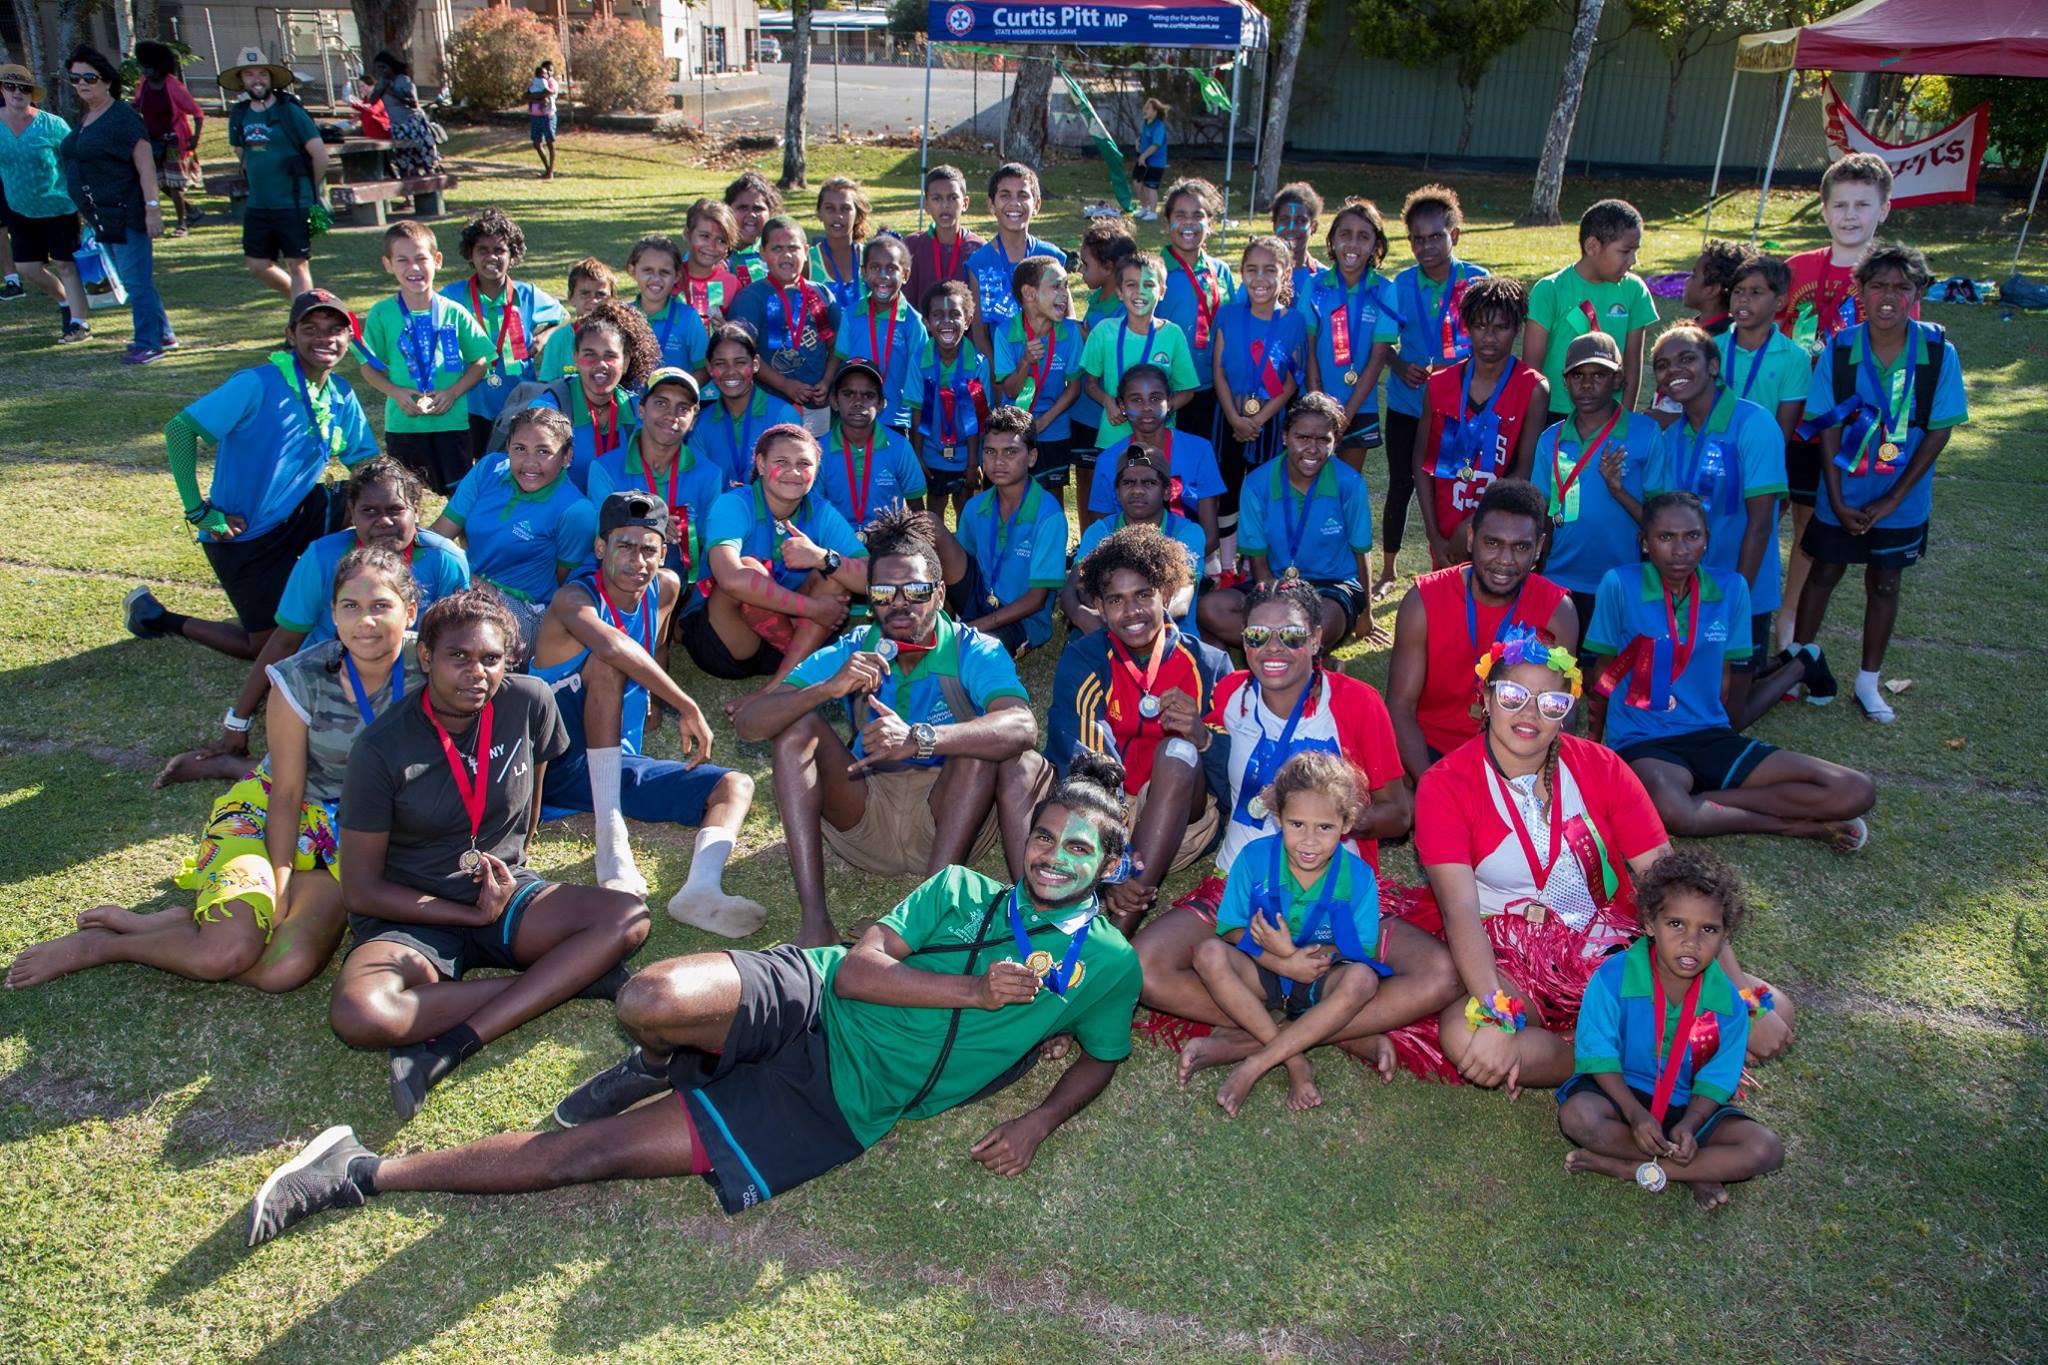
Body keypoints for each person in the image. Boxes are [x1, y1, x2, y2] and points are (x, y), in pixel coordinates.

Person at [246, 753, 1142, 1244]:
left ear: (1110, 869)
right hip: (816, 991)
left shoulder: (1107, 966)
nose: (1053, 858)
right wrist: (974, 992)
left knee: (583, 1159)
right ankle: (663, 1054)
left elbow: (1103, 1054)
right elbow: (862, 969)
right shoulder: (959, 888)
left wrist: (1038, 1122)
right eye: (1047, 837)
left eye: (1078, 851)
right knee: (649, 992)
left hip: (841, 1099)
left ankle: (357, 1171)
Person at [6, 547, 415, 993]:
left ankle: (174, 924)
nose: (366, 621)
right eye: (350, 607)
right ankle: (105, 946)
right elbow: (286, 791)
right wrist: (278, 888)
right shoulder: (299, 677)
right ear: (332, 614)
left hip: (353, 842)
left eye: (381, 606)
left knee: (282, 971)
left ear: (409, 611)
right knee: (226, 952)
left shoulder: (433, 668)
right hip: (271, 818)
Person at [1404, 635, 1791, 1097]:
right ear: (1487, 698)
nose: (1529, 714)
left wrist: (1743, 1003)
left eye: (1550, 702)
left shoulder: (1602, 766)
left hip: (1606, 942)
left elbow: (1674, 887)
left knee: (1776, 1006)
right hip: (1506, 952)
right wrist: (1495, 1014)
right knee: (1467, 1037)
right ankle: (1617, 1054)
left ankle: (1615, 1040)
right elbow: (1460, 912)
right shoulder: (1444, 786)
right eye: (1513, 697)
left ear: (1567, 709)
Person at [330, 589, 650, 1120]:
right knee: (361, 1013)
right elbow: (360, 889)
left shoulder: (529, 701)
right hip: (414, 911)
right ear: (427, 657)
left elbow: (532, 792)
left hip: (504, 891)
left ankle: (451, 1045)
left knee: (628, 917)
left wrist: (512, 873)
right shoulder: (380, 747)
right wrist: (464, 913)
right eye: (458, 656)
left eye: (491, 659)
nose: (476, 673)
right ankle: (566, 981)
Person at [1132, 578, 1430, 1073]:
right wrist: (1201, 736)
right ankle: (1309, 1030)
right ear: (1242, 641)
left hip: (1332, 888)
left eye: (1291, 636)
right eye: (1256, 637)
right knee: (1142, 968)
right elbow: (1233, 771)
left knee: (1438, 974)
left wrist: (1329, 822)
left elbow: (1400, 813)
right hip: (1242, 882)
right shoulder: (1230, 696)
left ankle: (1266, 1032)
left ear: (1316, 639)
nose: (1273, 649)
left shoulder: (1356, 703)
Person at [732, 505, 1045, 947]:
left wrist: (922, 739)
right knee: (795, 722)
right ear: (870, 596)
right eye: (883, 592)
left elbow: (1022, 726)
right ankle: (815, 921)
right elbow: (749, 724)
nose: (899, 603)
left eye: (915, 590)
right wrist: (824, 690)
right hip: (864, 817)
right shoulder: (857, 646)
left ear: (938, 593)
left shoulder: (974, 649)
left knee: (982, 739)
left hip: (949, 818)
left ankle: (928, 910)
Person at [153, 456, 470, 788]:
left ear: (416, 511)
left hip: (407, 677)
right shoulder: (321, 557)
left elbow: (453, 641)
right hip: (331, 679)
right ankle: (236, 767)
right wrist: (238, 720)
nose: (384, 521)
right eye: (369, 511)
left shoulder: (445, 559)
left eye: (395, 509)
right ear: (351, 513)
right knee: (339, 767)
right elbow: (284, 641)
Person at [530, 491, 762, 934]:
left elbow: (652, 648)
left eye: (649, 549)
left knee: (736, 784)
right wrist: (684, 703)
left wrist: (652, 701)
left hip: (611, 760)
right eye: (625, 546)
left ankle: (701, 889)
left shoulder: (666, 587)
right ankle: (611, 844)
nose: (638, 560)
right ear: (601, 549)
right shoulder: (572, 600)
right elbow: (616, 647)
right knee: (607, 664)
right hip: (548, 762)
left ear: (663, 553)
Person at [1589, 491, 1873, 845]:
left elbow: (1731, 680)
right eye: (1665, 537)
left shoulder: (1731, 589)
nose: (1680, 549)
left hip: (1710, 736)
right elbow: (1602, 672)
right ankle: (1792, 824)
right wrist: (1594, 747)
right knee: (1677, 814)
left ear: (1707, 541)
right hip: (1643, 742)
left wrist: (1730, 738)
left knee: (1855, 790)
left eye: (1692, 536)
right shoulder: (1619, 584)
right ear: (1644, 543)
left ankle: (1706, 800)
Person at [123, 289, 375, 663]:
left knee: (374, 508)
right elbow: (179, 429)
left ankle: (353, 601)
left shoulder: (340, 391)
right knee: (266, 650)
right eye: (312, 328)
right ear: (291, 335)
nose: (325, 338)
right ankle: (159, 618)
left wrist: (383, 507)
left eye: (335, 329)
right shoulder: (257, 383)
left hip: (301, 513)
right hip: (242, 532)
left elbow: (365, 460)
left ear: (349, 337)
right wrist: (197, 511)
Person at [1192, 750, 1444, 1114]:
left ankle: (1256, 1062)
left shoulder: (1358, 877)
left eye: (1324, 827)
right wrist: (1281, 960)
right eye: (1297, 825)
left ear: (1345, 824)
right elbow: (1230, 928)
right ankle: (1297, 1060)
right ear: (1277, 817)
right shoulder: (1253, 858)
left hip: (1319, 979)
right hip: (1263, 972)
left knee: (1362, 982)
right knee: (1207, 954)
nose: (1309, 841)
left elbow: (1360, 950)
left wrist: (1301, 960)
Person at [1789, 242, 1966, 724]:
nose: (1889, 296)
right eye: (1878, 285)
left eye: (1901, 287)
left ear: (1917, 293)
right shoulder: (1841, 349)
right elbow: (1825, 425)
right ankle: (1803, 665)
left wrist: (1892, 501)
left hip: (1903, 500)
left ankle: (1868, 682)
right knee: (1823, 572)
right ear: (1860, 291)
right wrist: (1837, 495)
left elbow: (1939, 430)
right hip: (1841, 492)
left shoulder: (1936, 351)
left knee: (1885, 583)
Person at [1558, 846, 1786, 1210]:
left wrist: (1692, 1123)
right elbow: (1597, 1054)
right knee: (1577, 1116)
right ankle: (1693, 1168)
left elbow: (1718, 1076)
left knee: (1766, 1149)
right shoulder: (1613, 977)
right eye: (1676, 924)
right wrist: (1634, 1114)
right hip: (1618, 1095)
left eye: (1708, 929)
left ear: (1724, 936)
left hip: (1686, 1106)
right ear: (1650, 923)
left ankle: (1628, 1167)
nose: (1691, 942)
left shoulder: (1727, 1004)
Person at [1046, 522, 1229, 935]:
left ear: (1166, 591)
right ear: (1098, 605)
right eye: (1117, 600)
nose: (1132, 612)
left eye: (1144, 595)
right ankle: (1112, 884)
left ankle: (1118, 933)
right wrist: (1116, 856)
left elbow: (1234, 772)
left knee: (1178, 752)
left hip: (1180, 824)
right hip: (1103, 817)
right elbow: (1084, 756)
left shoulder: (1209, 664)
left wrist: (1202, 736)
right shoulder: (1084, 659)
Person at [1643, 324, 1787, 723]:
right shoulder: (1671, 437)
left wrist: (1734, 600)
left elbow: (1762, 523)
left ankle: (1800, 664)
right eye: (1662, 365)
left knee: (1730, 718)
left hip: (1742, 588)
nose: (1674, 370)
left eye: (1687, 359)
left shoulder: (1753, 424)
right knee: (1691, 702)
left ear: (1713, 365)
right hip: (1686, 594)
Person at [1387, 478, 1576, 780]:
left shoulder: (1558, 611)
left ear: (1538, 548)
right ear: (1471, 538)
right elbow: (1400, 708)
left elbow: (1562, 709)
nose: (1505, 560)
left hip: (1515, 753)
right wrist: (1434, 784)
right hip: (1431, 749)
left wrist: (1533, 777)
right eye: (1493, 543)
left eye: (1521, 547)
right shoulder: (1423, 601)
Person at [693, 423, 868, 693]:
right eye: (781, 462)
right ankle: (804, 668)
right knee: (749, 568)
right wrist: (814, 610)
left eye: (804, 464)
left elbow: (872, 578)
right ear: (761, 465)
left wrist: (822, 557)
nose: (794, 472)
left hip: (793, 643)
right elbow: (729, 579)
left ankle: (778, 687)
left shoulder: (821, 512)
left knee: (836, 576)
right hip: (732, 645)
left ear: (816, 470)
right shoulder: (734, 504)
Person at [1201, 394, 1378, 653]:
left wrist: (1367, 613)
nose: (1312, 449)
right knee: (1210, 608)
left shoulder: (1349, 483)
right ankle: (1301, 651)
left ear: (1335, 442)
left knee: (1326, 621)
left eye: (1323, 440)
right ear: (1285, 437)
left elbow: (1362, 552)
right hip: (1272, 581)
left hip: (1331, 586)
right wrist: (1278, 607)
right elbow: (1259, 562)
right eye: (1302, 438)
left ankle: (1273, 644)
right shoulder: (1257, 483)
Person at [1530, 331, 1658, 681]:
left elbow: (1660, 523)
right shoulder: (1550, 438)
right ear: (1565, 382)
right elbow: (1542, 513)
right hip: (1560, 578)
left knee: (1610, 678)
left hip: (1621, 579)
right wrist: (1537, 572)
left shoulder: (1645, 434)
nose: (1587, 385)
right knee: (1559, 674)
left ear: (1617, 379)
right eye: (1578, 375)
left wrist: (1618, 491)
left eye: (1598, 375)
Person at [1385, 183, 1489, 597]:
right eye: (1417, 239)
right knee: (1402, 483)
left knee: (1458, 485)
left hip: (1462, 409)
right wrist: (1398, 364)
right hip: (1408, 404)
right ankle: (1389, 569)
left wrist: (1451, 370)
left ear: (1455, 235)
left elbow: (1490, 345)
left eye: (1435, 237)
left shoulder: (1477, 281)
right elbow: (1384, 343)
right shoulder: (1401, 284)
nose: (1426, 247)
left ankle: (1461, 562)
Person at [1720, 253, 1821, 656]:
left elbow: (1782, 431)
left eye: (1756, 293)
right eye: (1738, 291)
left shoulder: (1794, 358)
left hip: (1759, 475)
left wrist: (1754, 473)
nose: (1744, 300)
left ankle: (1750, 637)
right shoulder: (1711, 347)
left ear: (1779, 302)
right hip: (1709, 472)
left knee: (1754, 547)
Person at [1412, 275, 1548, 568]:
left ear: (1517, 330)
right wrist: (1433, 534)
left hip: (1500, 532)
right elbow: (1421, 462)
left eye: (1500, 327)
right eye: (1480, 326)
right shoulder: (1439, 384)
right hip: (1446, 535)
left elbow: (1525, 468)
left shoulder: (1533, 388)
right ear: (1467, 327)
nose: (1489, 337)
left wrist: (1476, 523)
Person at [432, 405, 594, 647]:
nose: (530, 463)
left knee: (451, 643)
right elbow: (439, 535)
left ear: (566, 457)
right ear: (507, 447)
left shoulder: (577, 511)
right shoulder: (488, 469)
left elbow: (564, 583)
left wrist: (472, 584)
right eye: (520, 449)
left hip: (526, 612)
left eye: (543, 452)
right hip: (465, 587)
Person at [356, 219, 495, 495]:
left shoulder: (454, 312)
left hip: (452, 422)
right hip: (403, 424)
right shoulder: (381, 314)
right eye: (403, 260)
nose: (414, 268)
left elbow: (481, 361)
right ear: (388, 264)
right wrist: (396, 393)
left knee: (461, 498)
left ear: (437, 260)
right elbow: (367, 367)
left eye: (421, 258)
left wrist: (453, 392)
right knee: (405, 498)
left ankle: (466, 541)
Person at [58, 45, 172, 364]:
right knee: (134, 278)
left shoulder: (121, 116)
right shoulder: (87, 117)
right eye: (75, 78)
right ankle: (164, 333)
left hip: (128, 213)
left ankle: (149, 343)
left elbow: (145, 165)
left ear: (106, 80)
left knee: (136, 280)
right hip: (102, 216)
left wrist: (153, 208)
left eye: (89, 78)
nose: (81, 84)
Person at [942, 405, 1070, 654]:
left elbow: (1037, 599)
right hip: (978, 602)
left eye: (1010, 452)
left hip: (1022, 620)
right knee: (933, 528)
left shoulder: (1049, 516)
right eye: (990, 451)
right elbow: (957, 566)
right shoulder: (975, 506)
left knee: (975, 652)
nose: (998, 462)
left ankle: (967, 637)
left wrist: (974, 627)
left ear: (1032, 457)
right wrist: (946, 621)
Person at [443, 208, 565, 463]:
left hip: (518, 401)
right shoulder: (452, 297)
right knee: (473, 471)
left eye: (500, 250)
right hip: (470, 402)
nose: (491, 257)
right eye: (482, 250)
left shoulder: (527, 294)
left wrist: (544, 337)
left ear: (513, 255)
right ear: (471, 254)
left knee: (515, 464)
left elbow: (564, 317)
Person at [1212, 234, 1307, 552]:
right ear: (1242, 273)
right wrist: (1235, 418)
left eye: (1270, 269)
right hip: (1227, 420)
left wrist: (1257, 421)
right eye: (1251, 269)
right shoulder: (1228, 315)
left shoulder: (1293, 322)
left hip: (1270, 424)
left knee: (1265, 489)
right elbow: (1219, 372)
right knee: (1226, 487)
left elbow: (1291, 383)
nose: (1260, 278)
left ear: (1286, 274)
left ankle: (1256, 559)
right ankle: (1227, 564)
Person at [1524, 198, 1657, 419]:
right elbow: (1531, 368)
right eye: (1625, 251)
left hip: (1609, 412)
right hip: (1554, 411)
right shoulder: (1550, 290)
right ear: (1592, 247)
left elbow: (1633, 363)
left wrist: (1625, 418)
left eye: (1635, 251)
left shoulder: (1635, 291)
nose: (1633, 260)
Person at [1299, 197, 1400, 482]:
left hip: (1359, 407)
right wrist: (1318, 400)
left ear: (1375, 246)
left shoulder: (1385, 291)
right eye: (1345, 234)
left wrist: (1345, 415)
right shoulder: (1315, 285)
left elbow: (1378, 358)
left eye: (1363, 237)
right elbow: (1308, 348)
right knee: (1309, 483)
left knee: (1345, 484)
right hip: (1314, 404)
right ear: (1332, 241)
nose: (1353, 244)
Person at [1086, 363, 1224, 562]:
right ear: (1122, 406)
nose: (1147, 407)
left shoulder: (1199, 451)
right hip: (1125, 569)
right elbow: (1101, 535)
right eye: (1136, 400)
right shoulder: (1108, 460)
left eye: (1156, 398)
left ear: (1170, 402)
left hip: (1184, 566)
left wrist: (1169, 568)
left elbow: (1210, 537)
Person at [221, 46, 325, 301]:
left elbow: (320, 155)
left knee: (297, 265)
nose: (257, 80)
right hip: (258, 204)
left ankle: (301, 322)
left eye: (262, 74)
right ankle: (306, 304)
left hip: (293, 203)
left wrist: (309, 189)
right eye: (249, 74)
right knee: (256, 263)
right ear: (241, 81)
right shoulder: (240, 114)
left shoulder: (290, 111)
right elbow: (240, 150)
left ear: (271, 78)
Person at [1065, 448, 1203, 637]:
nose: (1137, 490)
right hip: (1105, 628)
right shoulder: (1100, 531)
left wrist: (1137, 627)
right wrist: (1081, 616)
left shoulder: (1187, 532)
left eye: (1149, 483)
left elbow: (1182, 597)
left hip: (1170, 633)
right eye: (1128, 483)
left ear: (1167, 491)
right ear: (1117, 492)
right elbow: (1073, 587)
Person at [0, 63, 93, 341]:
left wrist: (84, 202)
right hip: (20, 207)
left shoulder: (52, 125)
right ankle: (65, 302)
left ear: (32, 93)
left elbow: (75, 163)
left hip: (59, 206)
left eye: (24, 87)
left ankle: (80, 324)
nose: (17, 92)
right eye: (10, 86)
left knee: (65, 265)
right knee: (27, 269)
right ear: (1, 90)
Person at [1777, 152, 1902, 353]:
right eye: (1840, 205)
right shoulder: (1795, 268)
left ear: (1883, 210)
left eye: (1862, 205)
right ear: (1825, 211)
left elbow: (1901, 348)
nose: (1850, 215)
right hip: (1792, 382)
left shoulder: (1896, 278)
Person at [1080, 250, 1198, 457]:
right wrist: (1108, 401)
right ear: (1119, 291)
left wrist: (1160, 410)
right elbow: (1090, 384)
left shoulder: (1173, 334)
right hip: (1114, 438)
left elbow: (1187, 391)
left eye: (1149, 285)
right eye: (1131, 284)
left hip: (1158, 440)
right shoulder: (1104, 331)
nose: (1139, 292)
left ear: (1161, 292)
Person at [531, 299, 657, 489]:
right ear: (575, 357)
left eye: (610, 355)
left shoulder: (637, 410)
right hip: (565, 513)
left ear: (626, 362)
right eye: (590, 354)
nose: (601, 364)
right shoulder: (549, 409)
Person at [727, 214, 840, 424]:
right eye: (777, 249)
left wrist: (827, 381)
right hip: (769, 403)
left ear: (806, 251)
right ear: (763, 253)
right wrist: (784, 384)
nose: (786, 255)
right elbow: (744, 354)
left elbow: (837, 346)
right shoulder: (751, 298)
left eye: (793, 248)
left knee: (814, 454)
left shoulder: (821, 294)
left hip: (816, 403)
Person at [991, 254, 1085, 494]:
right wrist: (1025, 362)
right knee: (1013, 495)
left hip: (1054, 429)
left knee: (1052, 495)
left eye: (1066, 286)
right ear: (1030, 294)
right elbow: (1010, 390)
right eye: (1056, 286)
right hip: (1013, 431)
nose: (1065, 294)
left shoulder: (1070, 333)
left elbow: (1074, 388)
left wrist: (1044, 421)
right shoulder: (1005, 332)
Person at [1157, 177, 1236, 449]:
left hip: (1214, 386)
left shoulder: (1221, 271)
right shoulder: (1154, 271)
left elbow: (1232, 327)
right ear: (1167, 223)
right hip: (1170, 388)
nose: (1189, 223)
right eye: (1180, 215)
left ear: (1210, 223)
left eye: (1198, 215)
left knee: (1207, 461)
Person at [905, 279, 991, 522]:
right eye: (937, 315)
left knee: (967, 510)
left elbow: (977, 416)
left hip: (967, 454)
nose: (946, 321)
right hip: (932, 453)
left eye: (955, 314)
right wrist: (918, 455)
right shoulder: (919, 361)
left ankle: (966, 556)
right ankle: (936, 557)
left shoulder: (977, 364)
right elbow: (917, 410)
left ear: (968, 321)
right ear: (927, 322)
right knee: (934, 511)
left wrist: (974, 461)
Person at [1068, 217, 1137, 520]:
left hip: (1108, 411)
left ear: (1109, 267)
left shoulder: (1126, 308)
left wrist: (1085, 336)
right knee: (1084, 475)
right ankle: (1086, 545)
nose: (1082, 272)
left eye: (1086, 265)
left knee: (1109, 477)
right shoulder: (1096, 298)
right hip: (1084, 406)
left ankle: (1109, 543)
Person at [829, 235, 927, 435]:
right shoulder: (850, 314)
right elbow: (839, 357)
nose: (883, 275)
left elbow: (920, 373)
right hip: (854, 415)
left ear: (906, 275)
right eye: (875, 267)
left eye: (892, 269)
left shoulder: (912, 322)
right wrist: (826, 385)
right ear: (864, 272)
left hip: (896, 418)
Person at [966, 162, 1067, 353]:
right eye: (1005, 195)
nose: (1015, 203)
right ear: (991, 204)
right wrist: (998, 375)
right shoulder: (980, 263)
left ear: (1036, 204)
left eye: (1023, 195)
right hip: (1003, 372)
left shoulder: (1053, 257)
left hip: (1049, 367)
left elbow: (1067, 320)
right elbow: (979, 333)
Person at [688, 320, 801, 488]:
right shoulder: (700, 424)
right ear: (710, 367)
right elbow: (699, 486)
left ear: (755, 364)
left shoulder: (783, 416)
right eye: (720, 363)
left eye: (740, 362)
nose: (731, 371)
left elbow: (794, 482)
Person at [816, 359, 925, 527]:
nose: (858, 402)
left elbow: (916, 507)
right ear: (835, 401)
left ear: (881, 404)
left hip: (888, 540)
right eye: (848, 394)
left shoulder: (900, 447)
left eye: (868, 395)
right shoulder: (818, 451)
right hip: (836, 542)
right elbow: (813, 509)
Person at [132, 41, 204, 237]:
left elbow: (197, 112)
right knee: (159, 182)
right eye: (143, 67)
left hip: (173, 141)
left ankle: (182, 225)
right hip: (152, 140)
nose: (145, 71)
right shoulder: (144, 84)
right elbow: (137, 104)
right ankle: (192, 211)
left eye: (149, 67)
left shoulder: (173, 85)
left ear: (159, 66)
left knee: (175, 184)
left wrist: (195, 137)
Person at [627, 232, 709, 380]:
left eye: (664, 272)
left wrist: (680, 392)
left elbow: (704, 368)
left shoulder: (688, 318)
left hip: (675, 401)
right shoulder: (623, 316)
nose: (656, 279)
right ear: (633, 271)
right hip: (630, 402)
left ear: (677, 276)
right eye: (648, 270)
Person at [903, 164, 984, 309]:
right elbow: (906, 304)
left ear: (965, 203)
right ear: (926, 205)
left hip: (965, 330)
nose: (945, 205)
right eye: (937, 199)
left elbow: (981, 310)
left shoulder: (978, 249)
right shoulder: (912, 246)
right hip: (922, 330)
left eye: (952, 198)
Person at [534, 257, 617, 379]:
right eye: (585, 293)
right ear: (571, 297)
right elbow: (547, 385)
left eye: (600, 294)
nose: (593, 300)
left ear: (612, 299)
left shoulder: (618, 338)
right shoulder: (558, 339)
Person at [367, 50, 440, 178]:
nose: (381, 71)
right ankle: (408, 193)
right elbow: (372, 101)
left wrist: (391, 91)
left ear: (391, 66)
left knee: (426, 159)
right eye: (378, 68)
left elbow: (414, 104)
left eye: (383, 67)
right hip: (397, 126)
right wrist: (380, 88)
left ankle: (432, 188)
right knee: (403, 161)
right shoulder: (382, 83)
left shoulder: (403, 80)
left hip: (413, 124)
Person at [808, 175, 869, 316]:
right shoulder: (808, 262)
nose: (838, 215)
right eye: (830, 208)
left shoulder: (870, 258)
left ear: (858, 215)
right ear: (819, 213)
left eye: (845, 208)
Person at [680, 199, 744, 326]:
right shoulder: (671, 278)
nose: (712, 246)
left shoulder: (731, 284)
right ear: (687, 234)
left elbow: (739, 332)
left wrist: (726, 329)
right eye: (704, 236)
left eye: (721, 240)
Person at [722, 169, 781, 285]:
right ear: (727, 211)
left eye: (758, 209)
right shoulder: (711, 249)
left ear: (771, 212)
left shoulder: (776, 253)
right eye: (743, 208)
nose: (751, 215)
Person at [1270, 181, 1326, 300]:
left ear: (1313, 227)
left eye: (1301, 220)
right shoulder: (1259, 274)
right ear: (1274, 225)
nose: (1292, 228)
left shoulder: (1324, 278)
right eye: (1284, 219)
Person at [1133, 98, 1168, 220]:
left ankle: (1153, 213)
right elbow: (1145, 140)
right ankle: (1144, 208)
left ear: (1155, 111)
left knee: (1150, 186)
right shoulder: (1146, 124)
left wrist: (1144, 156)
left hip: (1155, 162)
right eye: (1144, 107)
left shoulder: (1159, 126)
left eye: (1147, 108)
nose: (1144, 110)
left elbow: (1156, 145)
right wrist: (1138, 145)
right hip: (1143, 159)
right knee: (1137, 183)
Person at [528, 61, 558, 179]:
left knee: (550, 143)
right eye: (546, 70)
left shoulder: (552, 83)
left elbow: (548, 94)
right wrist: (537, 98)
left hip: (548, 116)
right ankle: (546, 168)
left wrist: (536, 97)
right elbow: (526, 95)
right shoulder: (535, 82)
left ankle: (551, 171)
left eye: (551, 70)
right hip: (535, 116)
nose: (548, 73)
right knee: (536, 143)